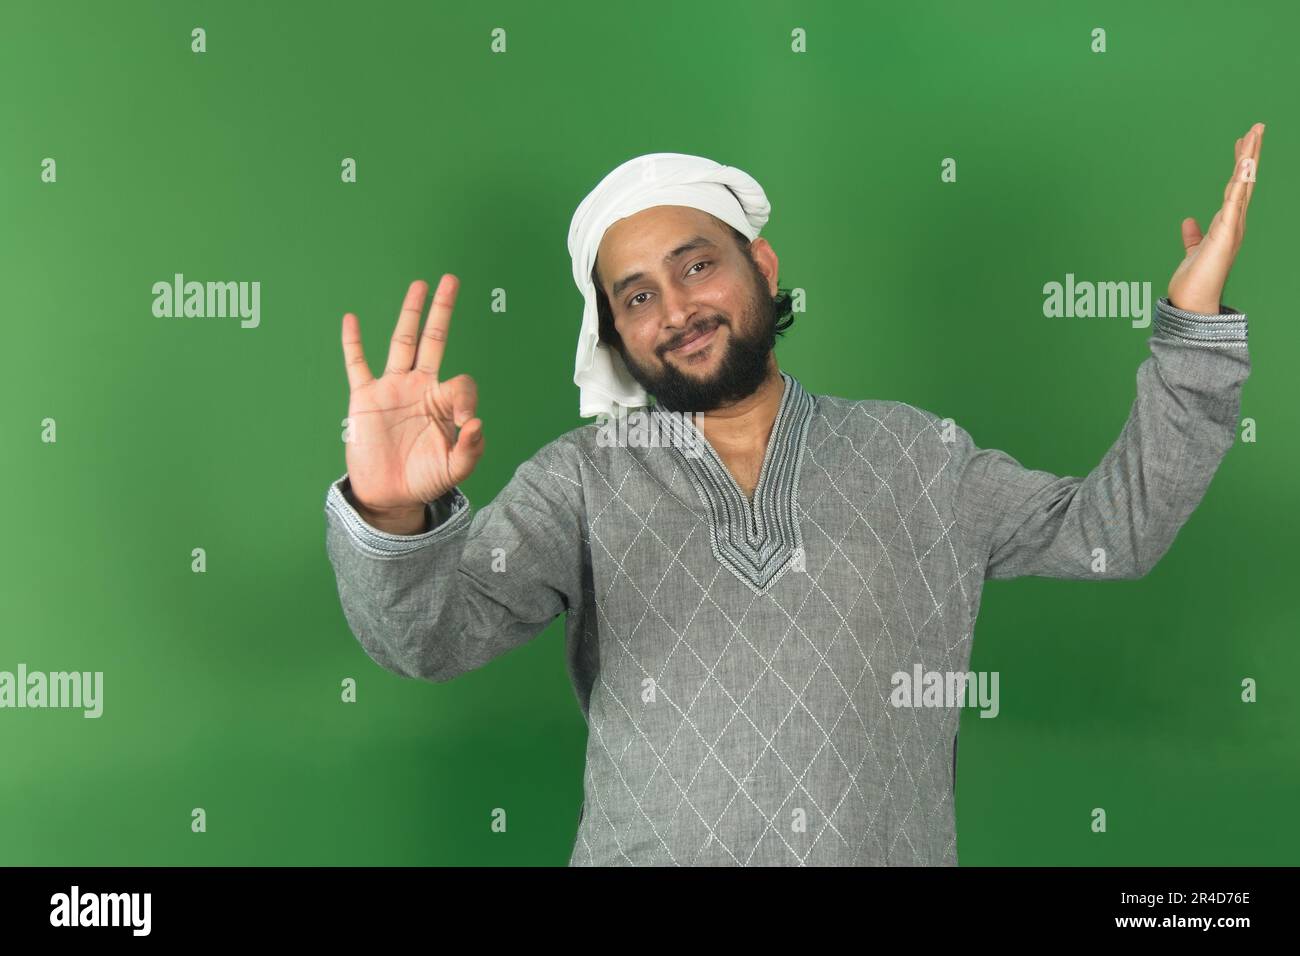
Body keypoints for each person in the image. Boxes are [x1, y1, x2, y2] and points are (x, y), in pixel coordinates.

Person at [323, 130, 1262, 866]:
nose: (677, 310)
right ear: (614, 332)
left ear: (761, 269)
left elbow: (1116, 532)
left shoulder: (914, 457)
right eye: (637, 296)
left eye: (697, 265)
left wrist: (1194, 337)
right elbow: (427, 640)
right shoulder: (581, 481)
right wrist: (393, 513)